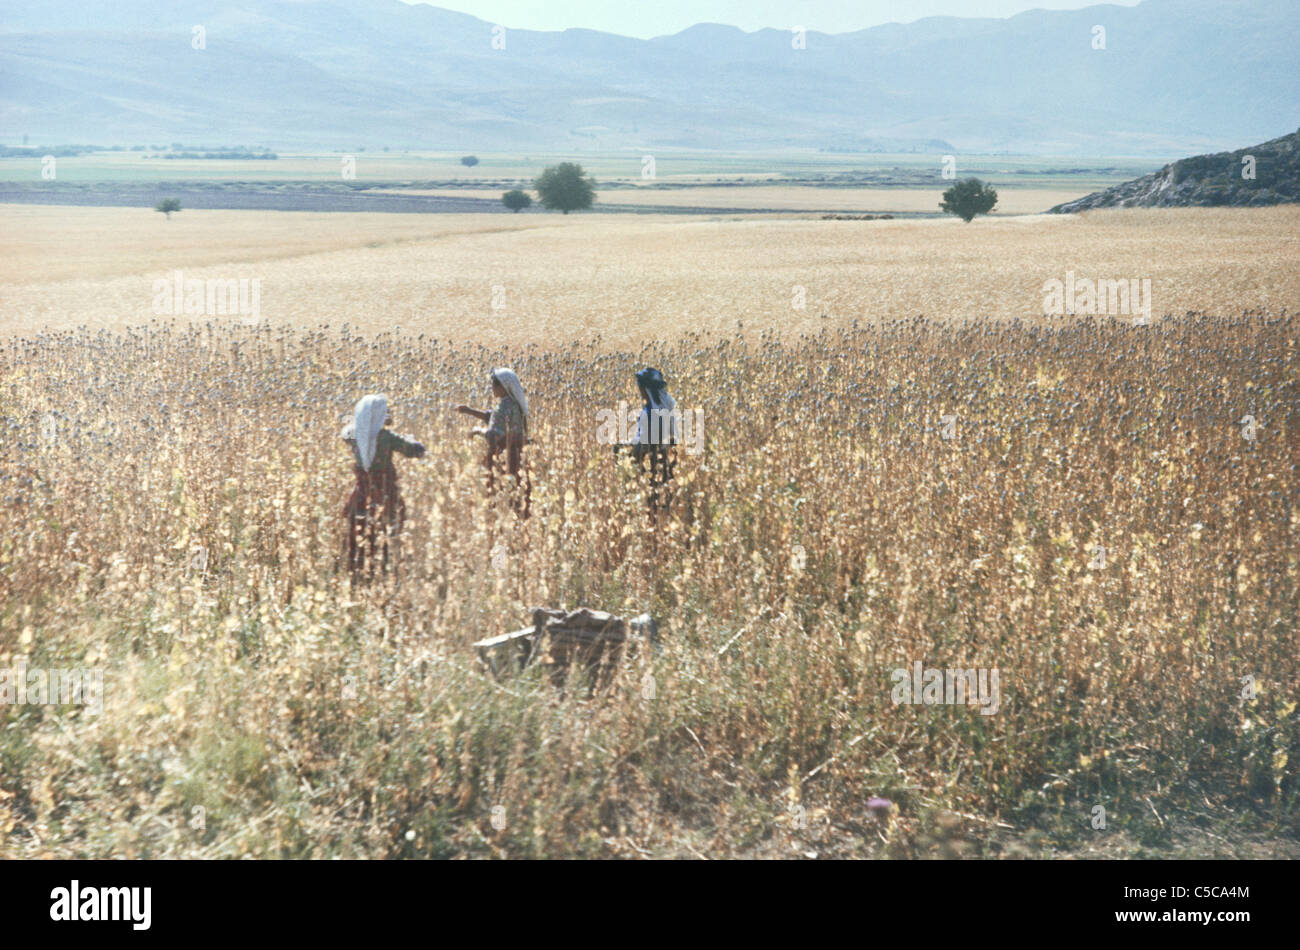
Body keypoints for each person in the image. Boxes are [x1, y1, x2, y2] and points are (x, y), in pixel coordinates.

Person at [341, 394, 425, 584]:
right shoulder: (386, 437)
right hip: (385, 493)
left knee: (360, 528)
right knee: (386, 529)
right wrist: (413, 441)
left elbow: (345, 432)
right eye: (385, 412)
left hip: (362, 493)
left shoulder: (354, 435)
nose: (389, 414)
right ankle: (383, 572)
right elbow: (415, 450)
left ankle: (357, 572)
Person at [455, 367, 531, 517]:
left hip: (503, 458)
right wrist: (469, 411)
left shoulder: (505, 406)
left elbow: (495, 434)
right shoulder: (512, 404)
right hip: (515, 455)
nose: (492, 388)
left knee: (495, 493)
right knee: (516, 494)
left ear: (502, 386)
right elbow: (494, 418)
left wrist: (478, 431)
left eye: (494, 384)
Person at [617, 367, 678, 514]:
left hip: (652, 461)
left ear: (645, 388)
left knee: (651, 501)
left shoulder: (651, 411)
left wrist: (624, 447)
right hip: (667, 458)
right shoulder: (667, 403)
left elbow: (645, 443)